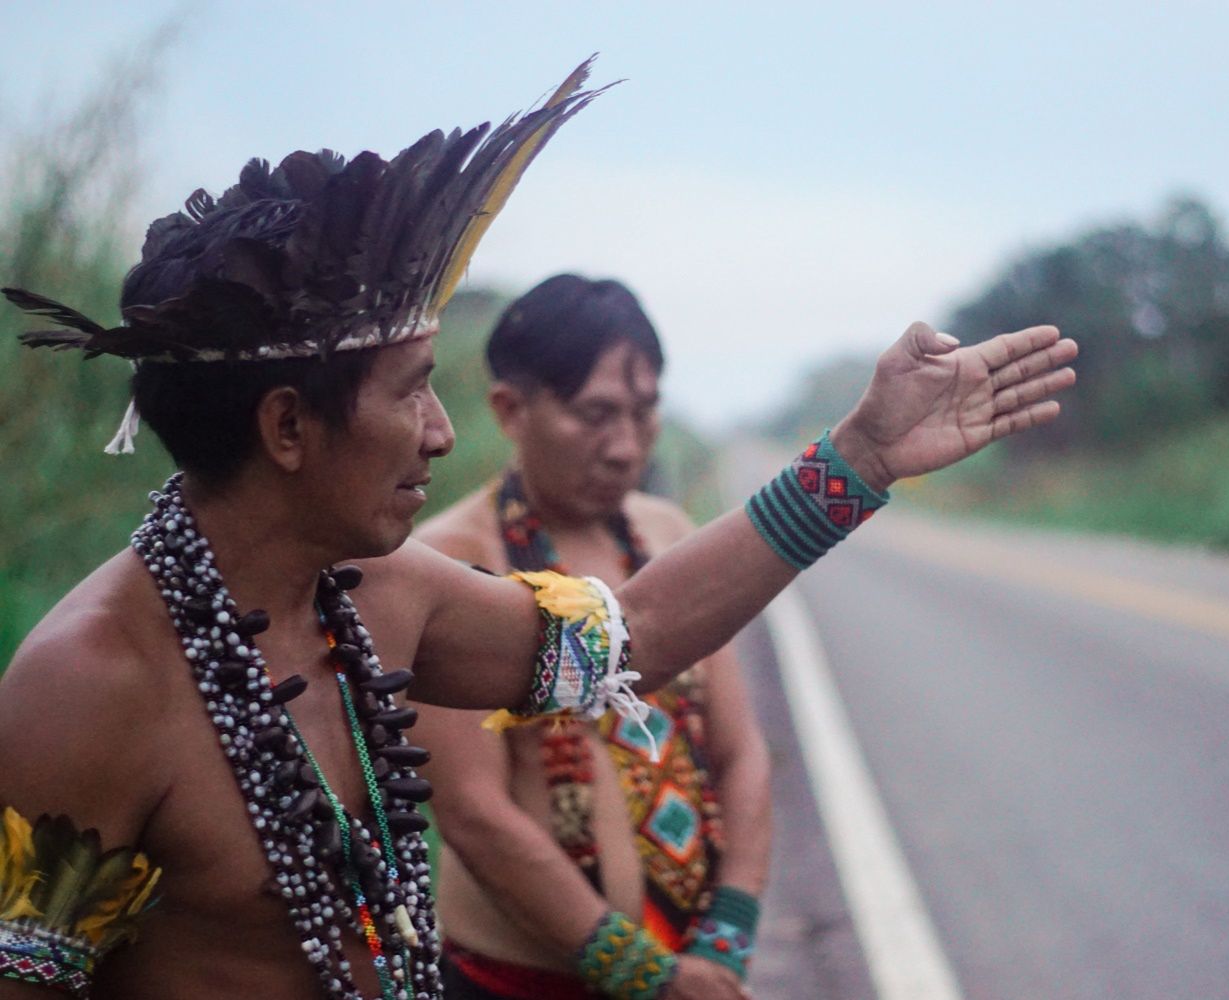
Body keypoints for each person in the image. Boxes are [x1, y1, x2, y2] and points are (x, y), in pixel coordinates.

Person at [0, 61, 1079, 1000]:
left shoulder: (385, 593)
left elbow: (637, 631)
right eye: (414, 391)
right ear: (288, 425)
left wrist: (862, 460)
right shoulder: (88, 688)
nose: (442, 431)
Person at [411, 275, 771, 1000]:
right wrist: (650, 978)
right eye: (595, 415)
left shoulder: (667, 535)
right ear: (511, 410)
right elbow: (473, 814)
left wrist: (725, 945)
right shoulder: (450, 564)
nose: (625, 447)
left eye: (644, 415)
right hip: (514, 983)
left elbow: (740, 752)